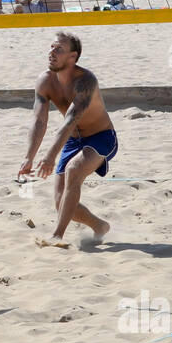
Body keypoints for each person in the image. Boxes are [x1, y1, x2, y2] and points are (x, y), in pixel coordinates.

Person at [19, 32, 115, 248]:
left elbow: (71, 119)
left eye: (58, 49)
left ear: (72, 57)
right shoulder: (45, 80)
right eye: (51, 47)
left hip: (101, 137)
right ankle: (100, 226)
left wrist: (50, 157)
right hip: (73, 140)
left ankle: (57, 235)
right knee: (60, 202)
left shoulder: (86, 81)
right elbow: (39, 120)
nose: (51, 52)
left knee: (74, 170)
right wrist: (29, 158)